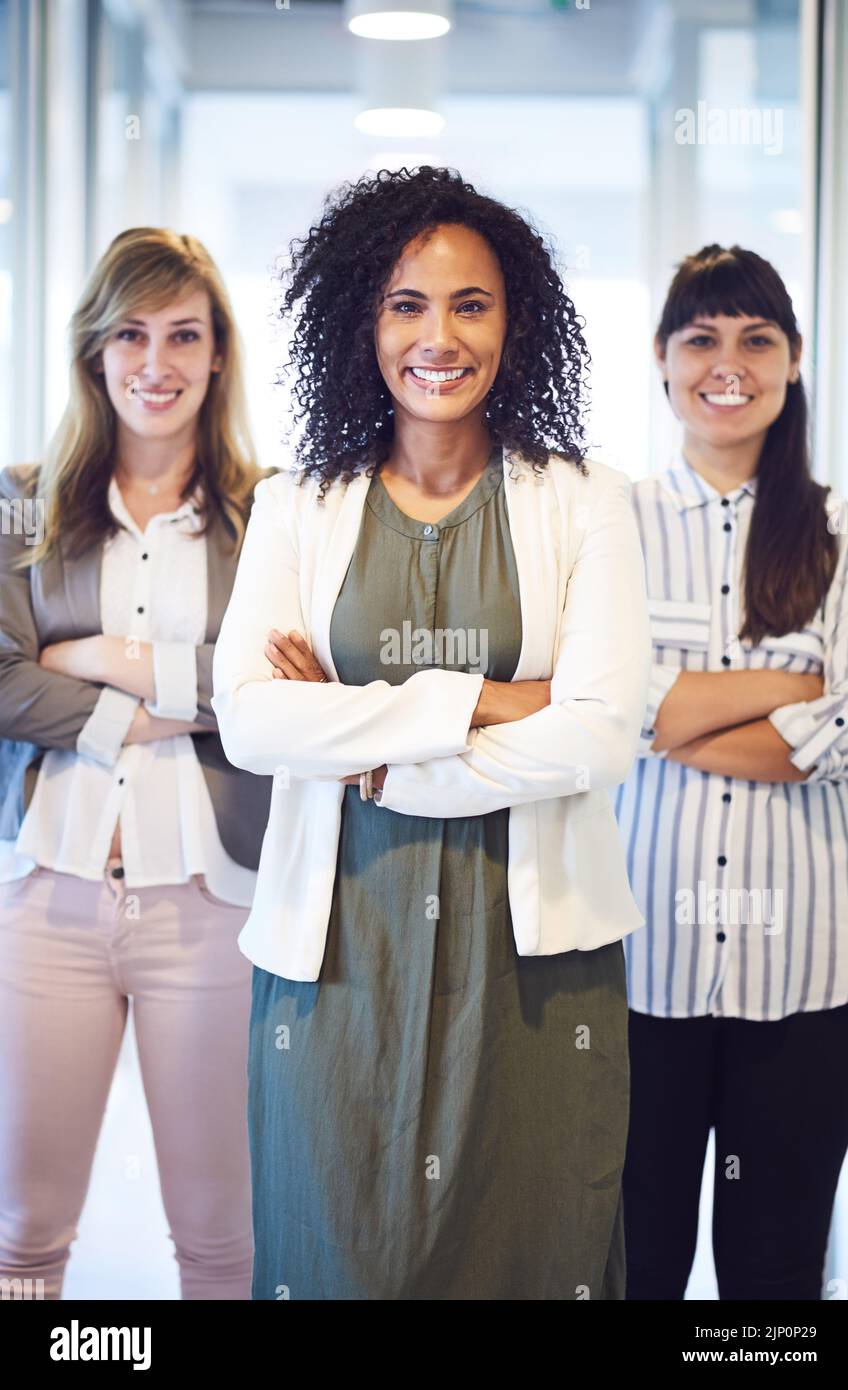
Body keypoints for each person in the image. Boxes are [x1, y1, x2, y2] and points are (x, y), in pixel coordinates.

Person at [212, 164, 652, 1300]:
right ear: (361, 321)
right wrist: (493, 695)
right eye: (406, 303)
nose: (438, 336)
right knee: (340, 1256)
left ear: (519, 320)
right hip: (338, 956)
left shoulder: (584, 497)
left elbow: (602, 735)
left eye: (471, 303)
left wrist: (362, 749)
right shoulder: (296, 503)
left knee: (533, 1251)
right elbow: (255, 720)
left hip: (536, 966)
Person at [0, 227, 273, 1299]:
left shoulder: (267, 513)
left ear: (216, 355)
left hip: (210, 908)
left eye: (183, 335)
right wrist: (149, 716)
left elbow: (277, 691)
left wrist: (103, 658)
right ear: (94, 353)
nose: (156, 363)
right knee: (24, 1230)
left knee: (218, 1237)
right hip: (48, 903)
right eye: (131, 334)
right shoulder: (23, 504)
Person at [615, 243, 848, 1300]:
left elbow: (844, 735)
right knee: (635, 1262)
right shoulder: (607, 529)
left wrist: (663, 714)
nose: (730, 362)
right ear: (663, 362)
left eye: (756, 338)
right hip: (640, 970)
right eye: (702, 338)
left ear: (795, 359)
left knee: (774, 1277)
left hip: (809, 982)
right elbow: (603, 709)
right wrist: (778, 686)